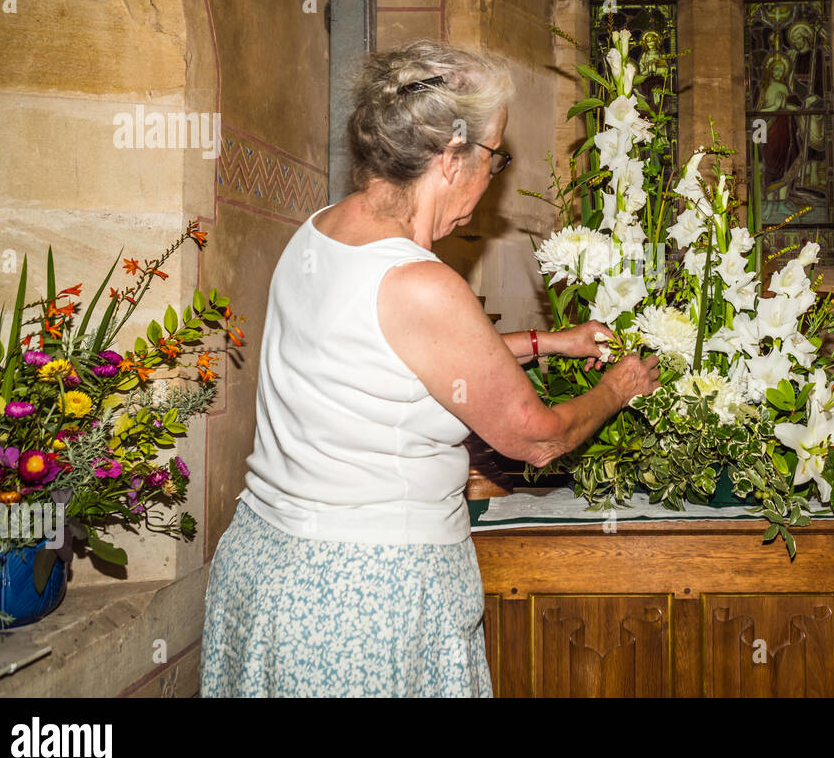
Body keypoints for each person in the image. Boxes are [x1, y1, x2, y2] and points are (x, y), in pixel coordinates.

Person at [200, 39, 660, 697]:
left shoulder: (319, 231)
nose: (494, 173)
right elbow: (535, 435)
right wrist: (620, 385)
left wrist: (546, 342)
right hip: (365, 597)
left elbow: (395, 356)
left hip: (269, 569)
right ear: (451, 158)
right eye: (496, 156)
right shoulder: (420, 282)